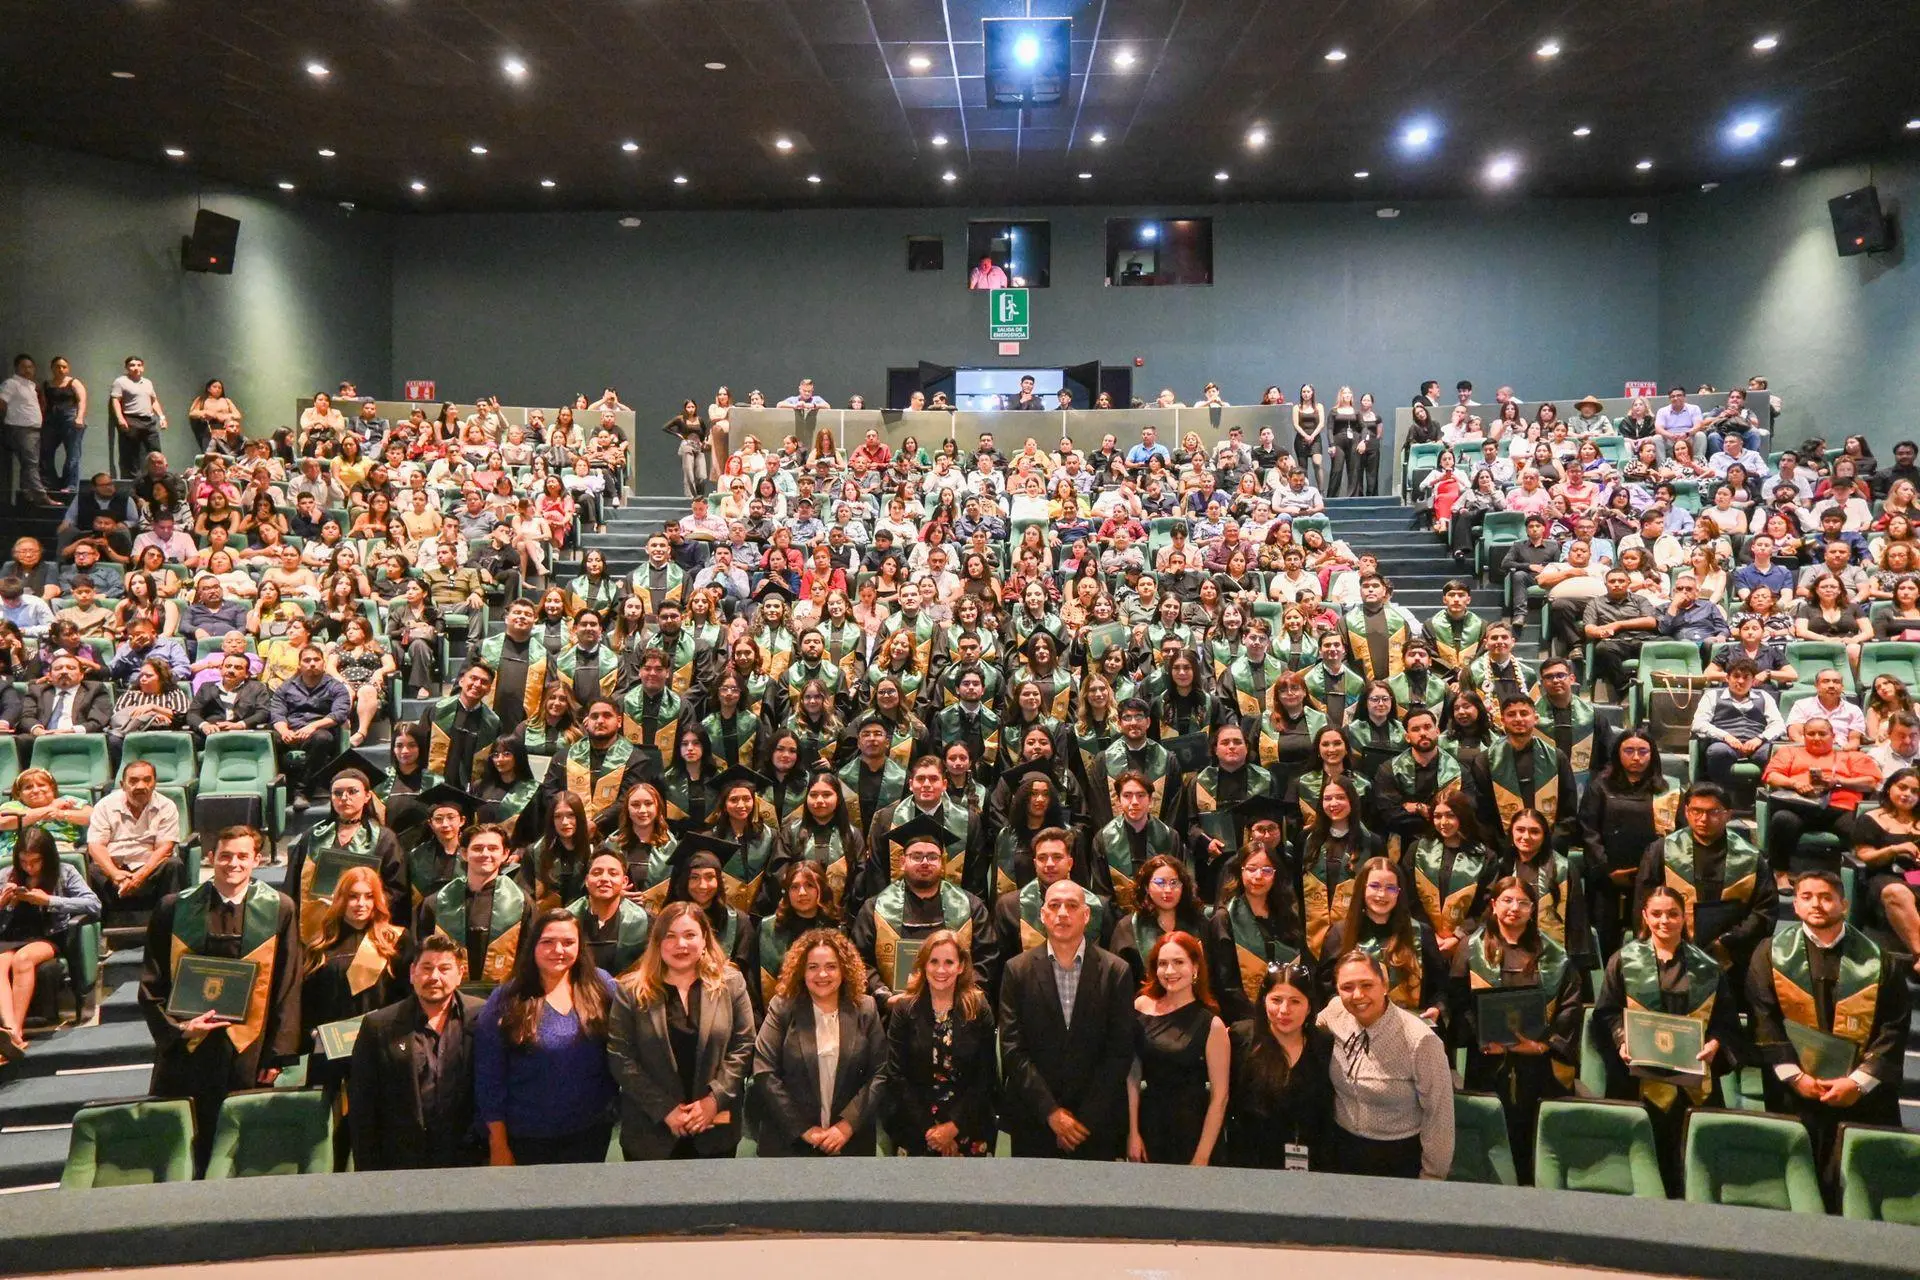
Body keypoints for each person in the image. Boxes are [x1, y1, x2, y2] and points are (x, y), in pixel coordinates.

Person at [137, 825, 302, 1172]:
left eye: (243, 856)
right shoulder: (174, 907)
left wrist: (277, 1053)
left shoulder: (279, 909)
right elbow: (152, 982)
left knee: (241, 1143)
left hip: (247, 1046)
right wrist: (179, 1029)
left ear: (257, 860)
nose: (233, 864)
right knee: (187, 1139)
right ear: (212, 858)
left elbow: (288, 983)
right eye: (225, 855)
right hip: (190, 1045)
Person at [1747, 869, 1911, 1178]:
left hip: (1858, 1096)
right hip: (1796, 1091)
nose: (1816, 905)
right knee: (1797, 1176)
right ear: (1795, 905)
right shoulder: (1770, 954)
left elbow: (1894, 1026)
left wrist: (1858, 1082)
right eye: (1807, 897)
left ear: (1844, 905)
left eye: (1826, 897)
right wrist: (1796, 1078)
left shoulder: (1878, 959)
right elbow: (1763, 1019)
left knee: (1857, 1180)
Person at [1591, 886, 1741, 1193]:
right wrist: (1622, 1039)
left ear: (1684, 918)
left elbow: (1726, 1023)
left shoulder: (1708, 967)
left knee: (1690, 1170)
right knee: (1639, 1166)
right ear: (1644, 917)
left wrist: (1715, 1044)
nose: (1664, 921)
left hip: (1691, 1086)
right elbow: (1605, 1013)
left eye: (1672, 914)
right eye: (1656, 914)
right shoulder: (1622, 961)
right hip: (1637, 1082)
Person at [1452, 876, 1583, 1184]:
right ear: (1494, 905)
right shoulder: (1470, 950)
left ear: (1533, 909)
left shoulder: (1554, 955)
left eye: (1523, 902)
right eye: (1507, 900)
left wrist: (1543, 1045)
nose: (1515, 908)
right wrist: (1482, 1038)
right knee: (1489, 1142)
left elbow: (1570, 1007)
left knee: (1532, 1142)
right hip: (1488, 1063)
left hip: (1538, 1068)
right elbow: (1459, 1004)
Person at [606, 899, 756, 1160]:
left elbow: (743, 1046)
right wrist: (665, 1109)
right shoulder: (629, 991)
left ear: (705, 940)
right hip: (649, 1132)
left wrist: (713, 1101)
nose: (681, 944)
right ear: (657, 942)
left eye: (690, 935)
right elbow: (621, 1057)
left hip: (714, 1129)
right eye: (670, 936)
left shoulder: (731, 983)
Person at [997, 877, 1136, 1160]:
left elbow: (1119, 1051)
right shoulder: (1017, 970)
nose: (1062, 913)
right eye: (1055, 905)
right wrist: (1051, 1112)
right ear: (1043, 915)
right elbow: (1012, 1048)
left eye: (1072, 906)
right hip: (1035, 1120)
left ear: (1087, 915)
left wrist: (1085, 1118)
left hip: (1096, 1125)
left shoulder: (1116, 971)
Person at [474, 908, 617, 1165]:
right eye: (548, 942)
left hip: (591, 1132)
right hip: (527, 1138)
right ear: (533, 946)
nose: (558, 950)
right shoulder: (506, 999)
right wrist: (498, 1143)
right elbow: (489, 1078)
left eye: (568, 942)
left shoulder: (601, 986)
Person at [347, 933, 485, 1170]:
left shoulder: (482, 1017)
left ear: (460, 974)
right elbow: (363, 1108)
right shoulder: (378, 1026)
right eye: (427, 968)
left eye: (444, 968)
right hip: (401, 1163)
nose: (434, 977)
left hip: (468, 1160)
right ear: (412, 973)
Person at [750, 927, 888, 1157]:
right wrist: (804, 1129)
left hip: (850, 1144)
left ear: (844, 969)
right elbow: (764, 1071)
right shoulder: (782, 1008)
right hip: (790, 1144)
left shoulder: (865, 1008)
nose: (822, 975)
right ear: (801, 972)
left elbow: (880, 1072)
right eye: (813, 967)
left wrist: (846, 1126)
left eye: (831, 966)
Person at [1320, 949, 1454, 1179]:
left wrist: (1432, 1178)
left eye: (1367, 985)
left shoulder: (1420, 1039)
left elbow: (1439, 1115)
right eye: (1347, 987)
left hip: (1397, 1157)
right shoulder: (1334, 1013)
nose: (1357, 995)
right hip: (1341, 1150)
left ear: (1385, 985)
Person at [882, 928, 1000, 1157]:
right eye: (934, 961)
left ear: (961, 966)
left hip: (968, 1126)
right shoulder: (905, 1009)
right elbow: (897, 1076)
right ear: (923, 965)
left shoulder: (978, 1007)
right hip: (916, 1130)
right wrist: (932, 1131)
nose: (941, 970)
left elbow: (985, 1076)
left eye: (949, 962)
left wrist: (953, 1127)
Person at [1126, 930, 1230, 1165]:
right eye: (1163, 964)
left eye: (1178, 962)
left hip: (1191, 1130)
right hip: (1148, 1123)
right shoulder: (1140, 1006)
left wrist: (1201, 1158)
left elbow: (1220, 1097)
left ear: (1195, 968)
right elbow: (1132, 1074)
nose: (1170, 971)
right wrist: (1133, 1132)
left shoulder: (1211, 1024)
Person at [1222, 962, 1334, 1169]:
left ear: (1309, 1006)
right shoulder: (1240, 1038)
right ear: (1263, 1001)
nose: (1284, 1010)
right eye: (1276, 1000)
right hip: (1251, 1161)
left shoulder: (1324, 1044)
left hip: (1311, 1160)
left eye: (1295, 1001)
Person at [0, 828, 99, 1057]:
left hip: (48, 935)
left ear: (48, 856)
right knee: (1, 962)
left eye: (35, 861)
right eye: (24, 862)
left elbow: (93, 905)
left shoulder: (65, 872)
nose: (29, 867)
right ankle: (8, 1030)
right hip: (11, 935)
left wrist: (49, 900)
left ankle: (15, 1030)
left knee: (23, 960)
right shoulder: (6, 875)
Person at [418, 822, 530, 989]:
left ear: (505, 854)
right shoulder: (436, 903)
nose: (485, 854)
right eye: (477, 848)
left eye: (493, 848)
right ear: (464, 853)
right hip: (450, 999)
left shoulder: (521, 902)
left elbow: (528, 957)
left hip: (506, 998)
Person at [83, 759, 185, 913]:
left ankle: (168, 926)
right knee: (92, 870)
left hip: (150, 869)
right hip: (115, 869)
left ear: (155, 783)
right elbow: (96, 846)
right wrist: (115, 873)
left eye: (147, 780)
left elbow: (165, 848)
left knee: (173, 865)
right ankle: (101, 930)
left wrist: (139, 876)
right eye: (133, 781)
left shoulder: (166, 806)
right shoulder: (105, 806)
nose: (141, 786)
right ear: (122, 784)